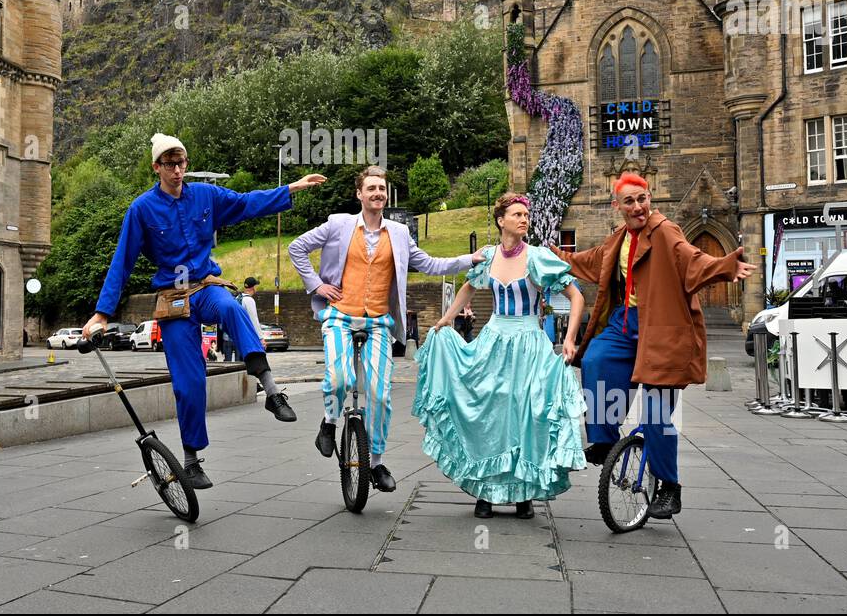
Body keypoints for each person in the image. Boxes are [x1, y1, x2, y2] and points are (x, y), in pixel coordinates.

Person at [83, 134, 326, 491]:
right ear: (157, 167)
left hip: (205, 286)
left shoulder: (205, 195)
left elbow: (246, 204)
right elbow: (122, 262)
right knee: (189, 382)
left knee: (232, 305)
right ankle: (192, 460)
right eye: (170, 165)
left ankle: (272, 390)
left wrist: (290, 188)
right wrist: (102, 315)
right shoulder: (141, 209)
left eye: (182, 163)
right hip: (173, 298)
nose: (178, 170)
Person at [553, 172, 756, 519]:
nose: (637, 207)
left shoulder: (666, 232)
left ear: (650, 200)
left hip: (661, 328)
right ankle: (604, 440)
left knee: (658, 416)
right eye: (629, 201)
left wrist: (724, 266)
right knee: (596, 360)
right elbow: (588, 261)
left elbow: (692, 259)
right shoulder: (618, 238)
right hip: (626, 324)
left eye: (642, 199)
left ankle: (668, 488)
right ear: (617, 206)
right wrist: (550, 256)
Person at [288, 165, 482, 494]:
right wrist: (317, 285)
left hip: (378, 320)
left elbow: (430, 264)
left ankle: (376, 462)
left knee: (379, 394)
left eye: (382, 188)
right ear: (360, 194)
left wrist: (469, 259)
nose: (378, 192)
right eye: (372, 188)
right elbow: (297, 248)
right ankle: (329, 421)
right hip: (339, 314)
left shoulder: (400, 233)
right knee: (340, 378)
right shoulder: (338, 224)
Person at [414, 193, 587, 519]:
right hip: (494, 340)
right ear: (501, 220)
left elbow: (576, 296)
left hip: (528, 344)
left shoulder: (538, 257)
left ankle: (524, 494)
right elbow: (468, 286)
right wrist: (447, 318)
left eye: (526, 214)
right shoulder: (489, 256)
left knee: (525, 413)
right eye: (517, 214)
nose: (524, 219)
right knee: (488, 412)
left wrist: (570, 339)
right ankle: (485, 491)